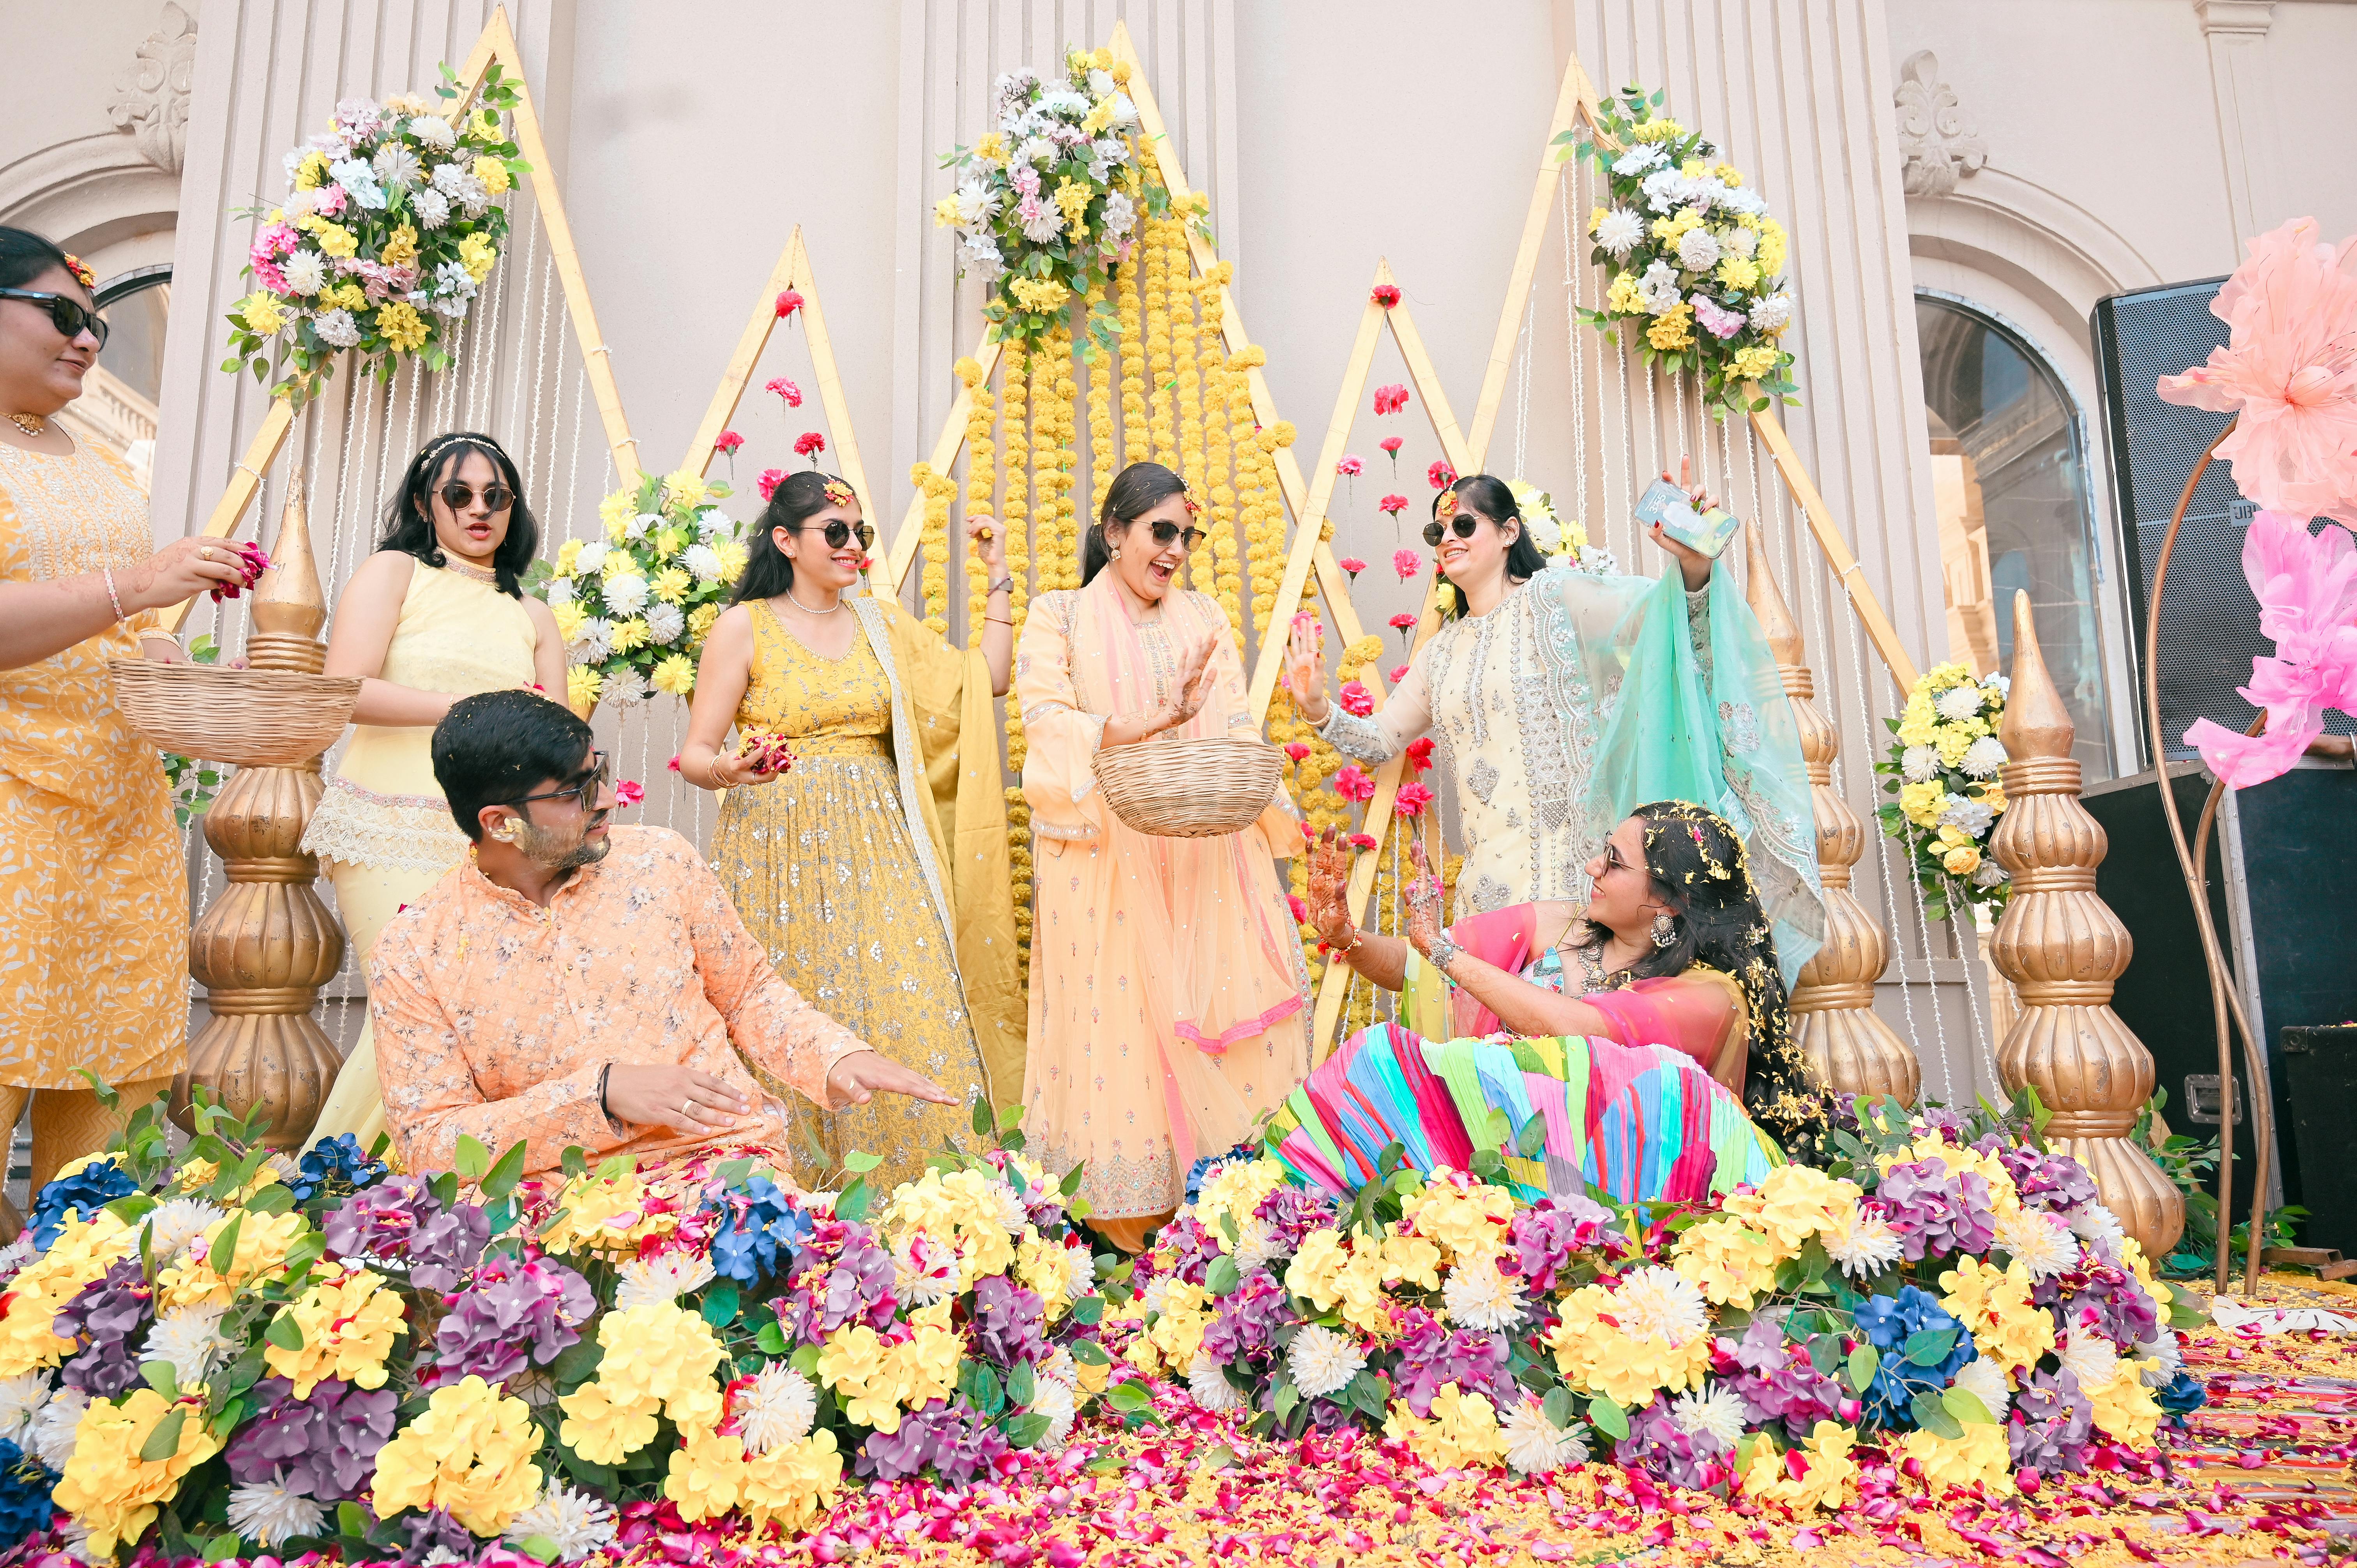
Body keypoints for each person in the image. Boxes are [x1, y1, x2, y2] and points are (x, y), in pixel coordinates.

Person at [367, 689, 954, 1178]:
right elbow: (431, 1142)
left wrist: (835, 1056)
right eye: (575, 792)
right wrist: (598, 1097)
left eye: (599, 772)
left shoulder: (659, 863)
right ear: (500, 823)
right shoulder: (415, 950)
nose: (605, 799)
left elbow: (748, 994)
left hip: (721, 1167)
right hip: (547, 1204)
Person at [1282, 467, 1825, 982]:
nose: (1448, 537)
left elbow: (1658, 620)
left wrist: (1692, 566)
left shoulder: (1555, 599)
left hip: (1569, 888)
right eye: (1437, 530)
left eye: (1464, 524)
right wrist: (1316, 708)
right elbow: (1381, 739)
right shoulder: (1440, 654)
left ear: (1509, 531)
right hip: (1484, 898)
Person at [678, 470, 1023, 1191]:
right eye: (835, 532)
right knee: (788, 1009)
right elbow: (695, 755)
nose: (853, 546)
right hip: (775, 852)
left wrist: (998, 582)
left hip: (881, 853)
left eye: (860, 533)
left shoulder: (880, 624)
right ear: (786, 540)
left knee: (904, 1001)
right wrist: (734, 770)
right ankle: (787, 1213)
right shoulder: (745, 626)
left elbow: (984, 678)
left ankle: (932, 1206)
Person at [0, 228, 248, 1216]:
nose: (87, 339)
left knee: (106, 1115)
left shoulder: (102, 458)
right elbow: (118, 594)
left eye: (96, 321)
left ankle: (68, 1328)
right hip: (11, 811)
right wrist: (135, 584)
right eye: (62, 314)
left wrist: (185, 679)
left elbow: (129, 628)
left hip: (115, 819)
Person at [1016, 460, 1311, 1251]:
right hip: (1102, 859)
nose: (1176, 548)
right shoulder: (1058, 617)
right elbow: (1043, 718)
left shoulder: (1205, 615)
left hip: (1202, 847)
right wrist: (1145, 723)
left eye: (1186, 534)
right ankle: (1129, 1223)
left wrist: (1275, 808)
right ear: (1114, 532)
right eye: (1160, 531)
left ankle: (1234, 1207)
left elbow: (1238, 723)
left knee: (1213, 1010)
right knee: (1121, 1022)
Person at [301, 433, 565, 1155]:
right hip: (386, 822)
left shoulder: (533, 613)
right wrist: (473, 703)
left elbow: (556, 736)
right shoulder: (395, 572)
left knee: (488, 1016)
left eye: (496, 497)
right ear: (427, 504)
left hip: (494, 839)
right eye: (460, 495)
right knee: (415, 1007)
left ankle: (440, 1216)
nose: (479, 510)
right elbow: (344, 690)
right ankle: (332, 1203)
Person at [1306, 798, 1827, 1154]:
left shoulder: (1710, 997)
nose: (1592, 869)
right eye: (1603, 851)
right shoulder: (1553, 925)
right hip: (1491, 1149)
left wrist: (1443, 952)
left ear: (1668, 903)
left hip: (1619, 1192)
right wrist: (1345, 936)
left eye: (1615, 863)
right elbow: (1412, 966)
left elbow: (1582, 1033)